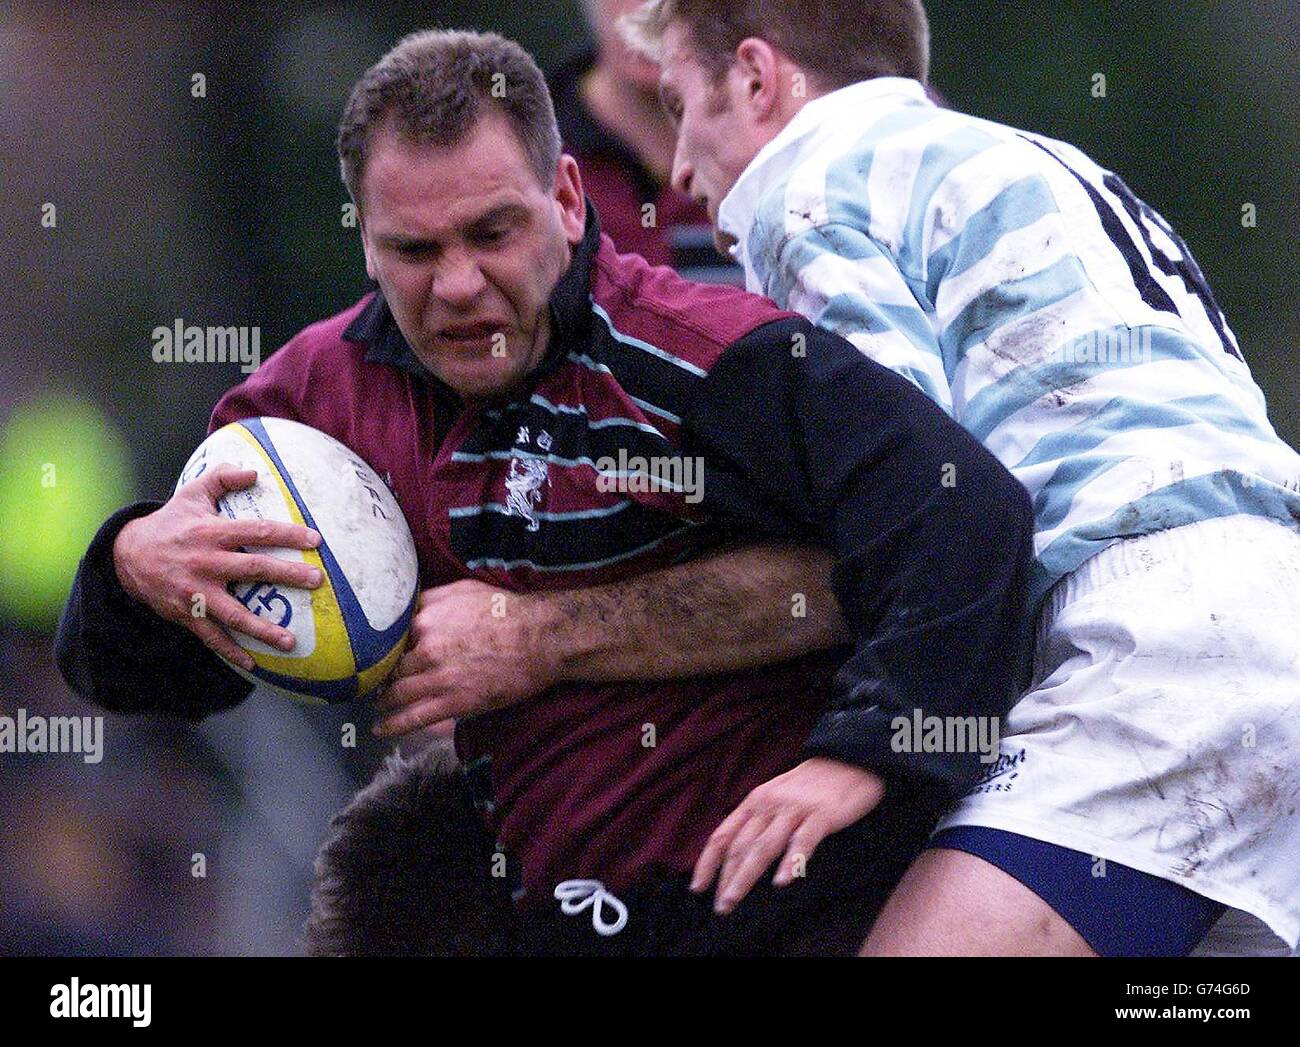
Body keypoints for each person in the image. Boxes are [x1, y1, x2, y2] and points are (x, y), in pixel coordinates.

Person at [55, 28, 1035, 954]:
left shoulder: (695, 355)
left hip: (788, 904)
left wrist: (864, 755)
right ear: (365, 241)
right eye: (414, 250)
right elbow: (151, 678)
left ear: (567, 200)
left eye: (493, 233)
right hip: (551, 914)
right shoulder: (316, 404)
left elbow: (962, 513)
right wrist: (135, 564)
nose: (460, 287)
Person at [613, 0, 1300, 956]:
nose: (680, 167)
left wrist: (867, 748)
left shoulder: (802, 183)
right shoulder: (1034, 156)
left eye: (683, 103)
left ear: (761, 79)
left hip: (1156, 644)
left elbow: (897, 468)